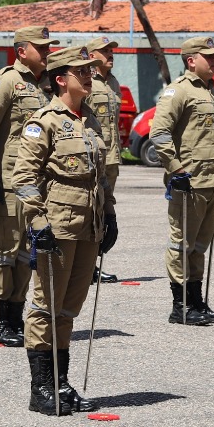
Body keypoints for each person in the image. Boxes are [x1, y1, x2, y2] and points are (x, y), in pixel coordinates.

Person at [10, 46, 117, 415]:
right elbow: (23, 178)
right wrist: (37, 223)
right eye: (80, 71)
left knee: (69, 308)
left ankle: (60, 381)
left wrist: (110, 214)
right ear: (60, 79)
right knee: (45, 305)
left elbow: (99, 177)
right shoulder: (45, 121)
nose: (89, 75)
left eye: (90, 70)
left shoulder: (90, 120)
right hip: (57, 227)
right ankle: (40, 388)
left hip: (89, 226)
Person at [0, 25, 56, 347]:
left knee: (25, 256)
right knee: (5, 254)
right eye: (42, 46)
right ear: (22, 51)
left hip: (35, 185)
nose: (47, 51)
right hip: (8, 185)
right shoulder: (6, 81)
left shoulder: (44, 86)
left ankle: (13, 319)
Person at [151, 36, 214, 326]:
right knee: (181, 245)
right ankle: (180, 305)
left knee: (199, 246)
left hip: (212, 181)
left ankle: (197, 303)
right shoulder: (179, 92)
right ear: (190, 61)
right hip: (189, 181)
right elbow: (159, 133)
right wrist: (176, 170)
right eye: (208, 56)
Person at [82, 36, 124, 284]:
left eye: (111, 50)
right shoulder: (87, 81)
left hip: (112, 157)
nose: (110, 54)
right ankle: (85, 266)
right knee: (89, 210)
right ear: (91, 55)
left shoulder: (113, 83)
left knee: (103, 212)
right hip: (93, 157)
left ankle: (94, 264)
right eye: (105, 51)